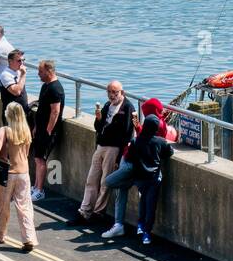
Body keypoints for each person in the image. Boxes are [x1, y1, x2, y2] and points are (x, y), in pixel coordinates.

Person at [102, 108, 172, 245]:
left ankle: (140, 224)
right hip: (154, 178)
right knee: (150, 205)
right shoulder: (160, 142)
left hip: (140, 178)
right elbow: (169, 152)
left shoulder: (136, 141)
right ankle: (146, 232)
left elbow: (130, 157)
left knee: (143, 201)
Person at [73, 80, 133, 225]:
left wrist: (120, 157)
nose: (112, 95)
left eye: (115, 92)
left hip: (114, 148)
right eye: (109, 92)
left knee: (105, 181)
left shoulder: (127, 107)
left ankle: (98, 212)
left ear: (122, 93)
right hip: (101, 145)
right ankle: (84, 211)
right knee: (91, 179)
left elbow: (127, 135)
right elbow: (98, 127)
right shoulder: (107, 105)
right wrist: (99, 119)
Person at [0, 101, 38, 252]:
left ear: (8, 114)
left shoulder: (5, 130)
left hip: (6, 172)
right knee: (24, 206)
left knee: (3, 205)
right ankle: (28, 239)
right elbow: (26, 154)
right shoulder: (26, 130)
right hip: (23, 172)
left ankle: (1, 235)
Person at [30, 58, 64, 201]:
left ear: (49, 71)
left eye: (41, 71)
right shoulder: (46, 86)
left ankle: (40, 189)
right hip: (41, 129)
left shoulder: (56, 89)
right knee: (37, 158)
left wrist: (48, 130)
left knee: (41, 159)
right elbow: (42, 109)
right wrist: (37, 126)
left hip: (49, 131)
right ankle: (35, 186)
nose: (38, 74)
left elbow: (55, 112)